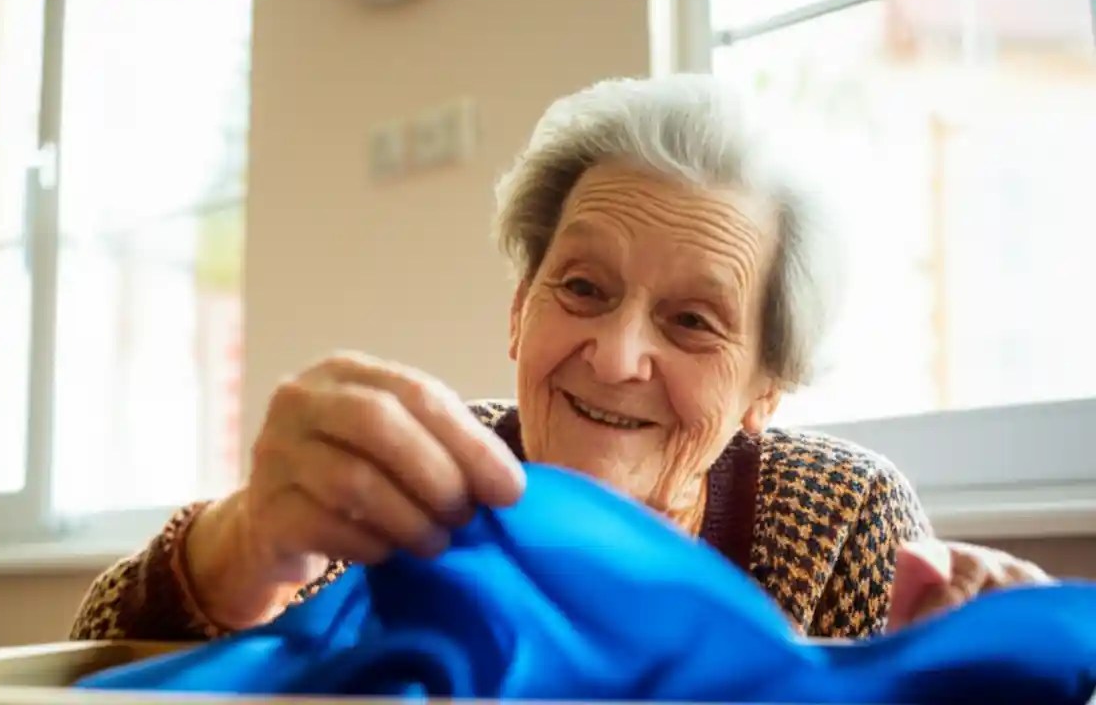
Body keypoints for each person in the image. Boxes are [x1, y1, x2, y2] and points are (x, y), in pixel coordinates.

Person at [70, 76, 1049, 644]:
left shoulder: (840, 516)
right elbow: (89, 662)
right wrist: (239, 549)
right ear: (517, 311)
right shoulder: (414, 481)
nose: (616, 354)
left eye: (692, 322)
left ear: (765, 389)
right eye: (581, 288)